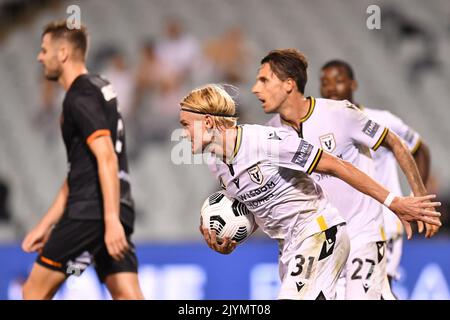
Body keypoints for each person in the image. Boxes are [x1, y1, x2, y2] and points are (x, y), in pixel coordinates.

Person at [179, 84, 440, 300]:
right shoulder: (217, 164)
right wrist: (233, 240)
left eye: (186, 125)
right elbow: (262, 206)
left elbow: (338, 165)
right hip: (290, 248)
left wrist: (393, 202)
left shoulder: (267, 141)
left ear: (209, 121)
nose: (183, 133)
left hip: (320, 234)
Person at [251, 49, 439, 299]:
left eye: (264, 80)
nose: (255, 88)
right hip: (315, 241)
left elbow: (396, 142)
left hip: (363, 233)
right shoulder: (267, 136)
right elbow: (264, 193)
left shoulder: (340, 114)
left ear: (288, 85)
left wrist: (419, 198)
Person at [21, 20, 143, 300]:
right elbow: (80, 171)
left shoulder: (79, 95)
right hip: (117, 206)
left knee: (33, 292)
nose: (40, 57)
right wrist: (44, 225)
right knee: (128, 295)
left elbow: (107, 157)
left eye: (44, 50)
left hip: (91, 212)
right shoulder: (101, 87)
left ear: (62, 52)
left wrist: (108, 220)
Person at [320, 59, 433, 297]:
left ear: (353, 84)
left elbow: (420, 150)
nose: (331, 89)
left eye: (338, 81)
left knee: (380, 286)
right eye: (325, 83)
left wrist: (417, 198)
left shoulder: (381, 120)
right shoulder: (318, 126)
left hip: (383, 220)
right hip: (343, 223)